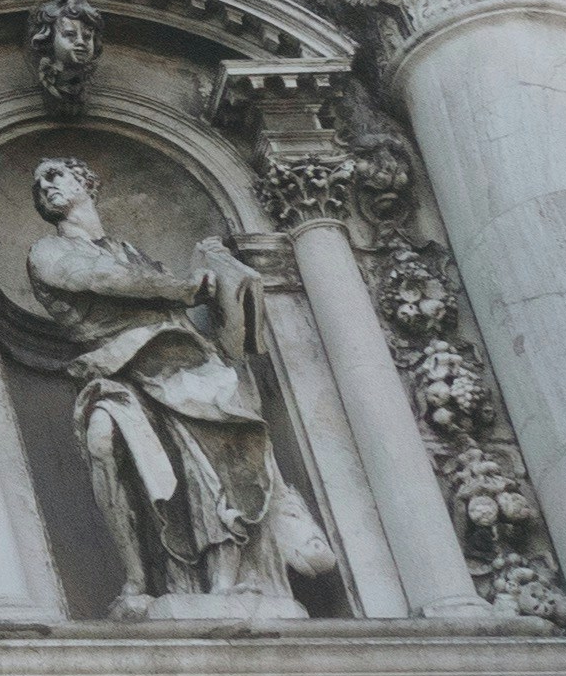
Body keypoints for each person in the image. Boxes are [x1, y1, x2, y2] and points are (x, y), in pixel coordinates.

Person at [24, 155, 335, 613]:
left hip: (185, 368)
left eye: (55, 175)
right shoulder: (47, 252)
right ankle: (140, 579)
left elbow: (165, 302)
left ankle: (226, 577)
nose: (45, 186)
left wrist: (220, 285)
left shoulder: (131, 252)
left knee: (211, 466)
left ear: (85, 182)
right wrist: (182, 287)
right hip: (117, 372)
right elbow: (96, 278)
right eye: (37, 184)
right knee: (104, 439)